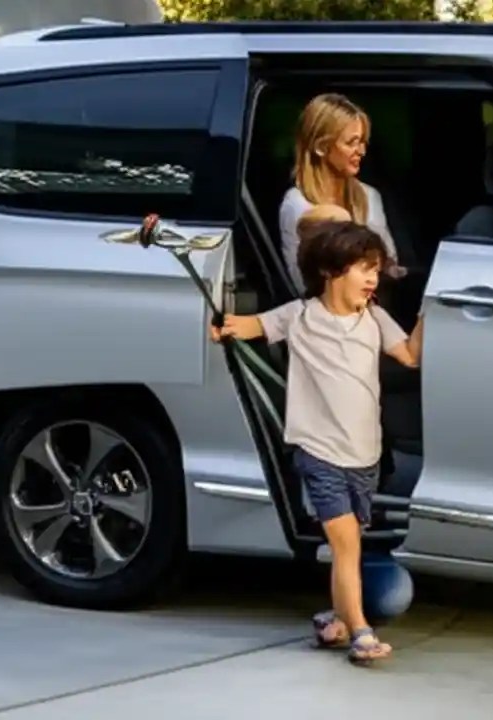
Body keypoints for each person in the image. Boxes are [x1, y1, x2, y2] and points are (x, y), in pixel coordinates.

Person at [212, 219, 425, 664]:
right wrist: (223, 326)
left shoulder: (375, 318)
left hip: (364, 455)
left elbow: (409, 355)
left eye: (375, 270)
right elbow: (250, 325)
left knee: (350, 545)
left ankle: (337, 619)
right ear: (329, 271)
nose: (372, 278)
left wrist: (429, 312)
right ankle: (360, 632)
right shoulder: (300, 316)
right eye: (363, 268)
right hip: (318, 451)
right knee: (346, 544)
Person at [278, 93, 402, 295]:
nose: (361, 151)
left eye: (363, 142)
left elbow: (389, 263)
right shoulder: (298, 204)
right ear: (321, 147)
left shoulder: (370, 196)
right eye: (351, 143)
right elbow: (302, 282)